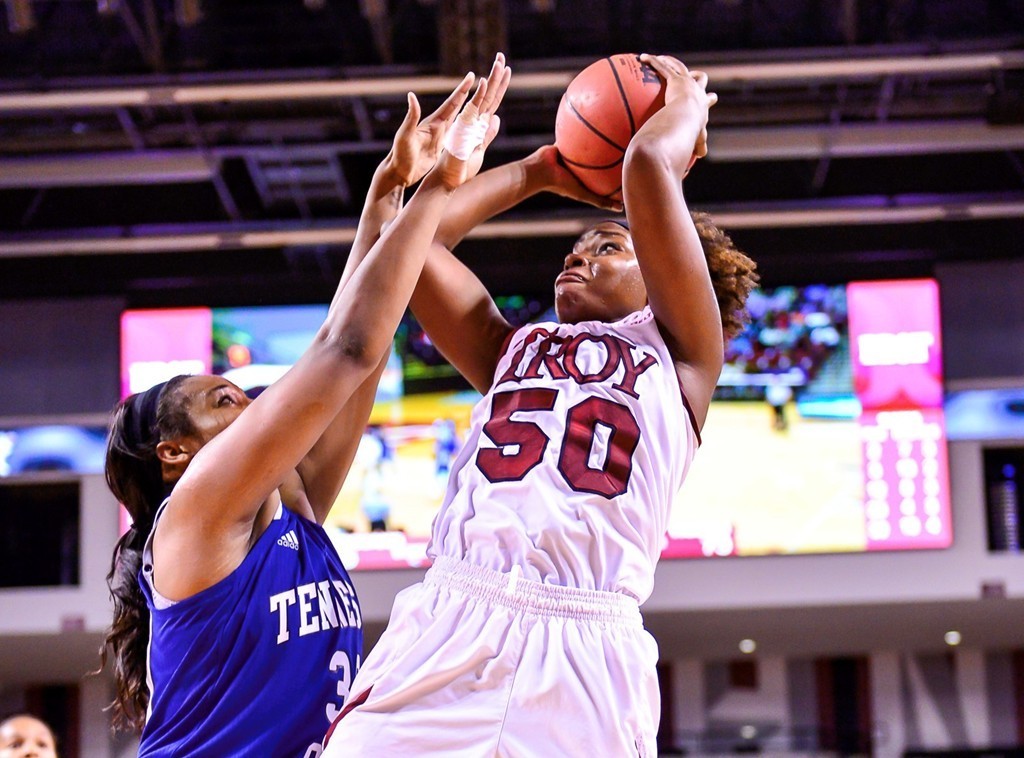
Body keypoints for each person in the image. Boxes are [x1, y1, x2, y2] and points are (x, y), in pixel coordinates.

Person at [322, 54, 759, 756]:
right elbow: (415, 243)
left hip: (586, 648)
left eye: (609, 246)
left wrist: (684, 103)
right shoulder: (511, 348)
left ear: (668, 272)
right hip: (453, 615)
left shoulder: (683, 356)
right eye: (580, 244)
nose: (578, 256)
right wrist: (541, 170)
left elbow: (647, 164)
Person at [97, 53, 510, 756]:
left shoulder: (292, 511)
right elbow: (344, 349)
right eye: (223, 402)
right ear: (175, 453)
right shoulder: (194, 515)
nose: (253, 404)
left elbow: (362, 362)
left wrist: (387, 192)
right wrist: (437, 188)